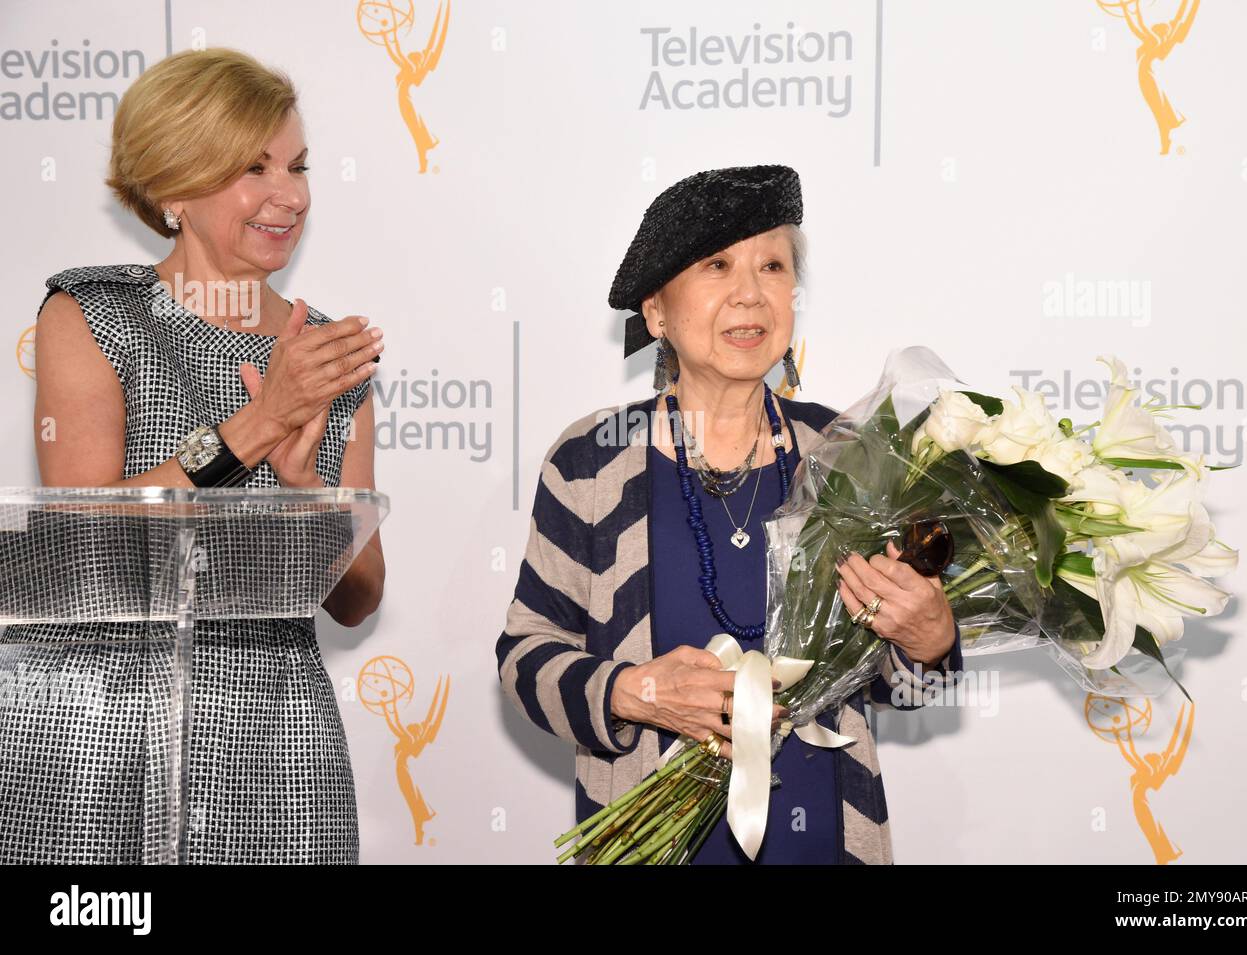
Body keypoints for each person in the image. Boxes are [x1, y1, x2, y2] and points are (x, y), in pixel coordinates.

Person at [496, 164, 962, 864]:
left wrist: (930, 641)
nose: (750, 293)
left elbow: (908, 685)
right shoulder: (592, 459)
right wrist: (636, 690)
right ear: (657, 313)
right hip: (646, 845)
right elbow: (523, 656)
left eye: (772, 265)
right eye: (718, 265)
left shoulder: (846, 455)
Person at [0, 48, 385, 863]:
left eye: (298, 165)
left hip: (276, 747)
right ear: (174, 189)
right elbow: (81, 537)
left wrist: (306, 486)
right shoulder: (91, 314)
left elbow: (358, 599)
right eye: (254, 167)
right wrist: (256, 424)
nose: (291, 194)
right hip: (98, 738)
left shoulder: (328, 352)